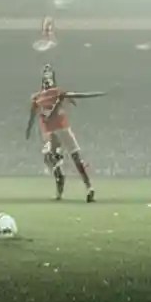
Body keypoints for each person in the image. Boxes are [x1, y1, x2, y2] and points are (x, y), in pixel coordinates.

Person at [25, 64, 105, 202]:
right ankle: (78, 187)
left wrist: (29, 128)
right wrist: (29, 128)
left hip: (57, 130)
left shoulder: (52, 94)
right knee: (59, 158)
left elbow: (74, 96)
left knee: (64, 158)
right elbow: (33, 114)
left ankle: (85, 187)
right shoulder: (42, 96)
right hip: (56, 131)